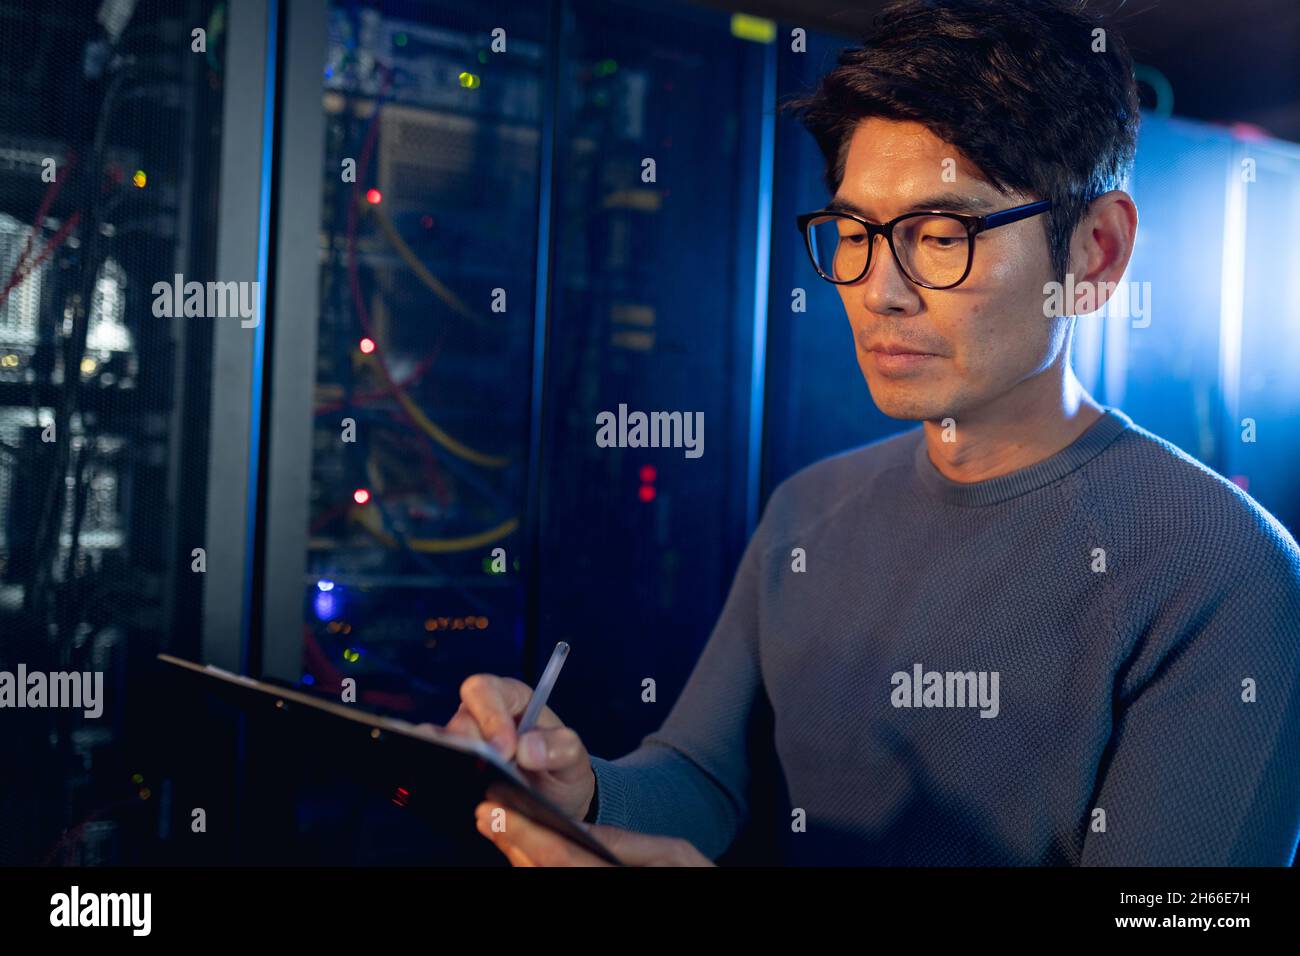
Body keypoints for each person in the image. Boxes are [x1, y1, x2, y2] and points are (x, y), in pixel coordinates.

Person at [445, 0, 1300, 866]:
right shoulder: (807, 514)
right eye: (855, 233)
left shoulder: (1225, 571)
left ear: (1094, 254)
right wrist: (582, 789)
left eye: (939, 235)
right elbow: (702, 778)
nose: (878, 291)